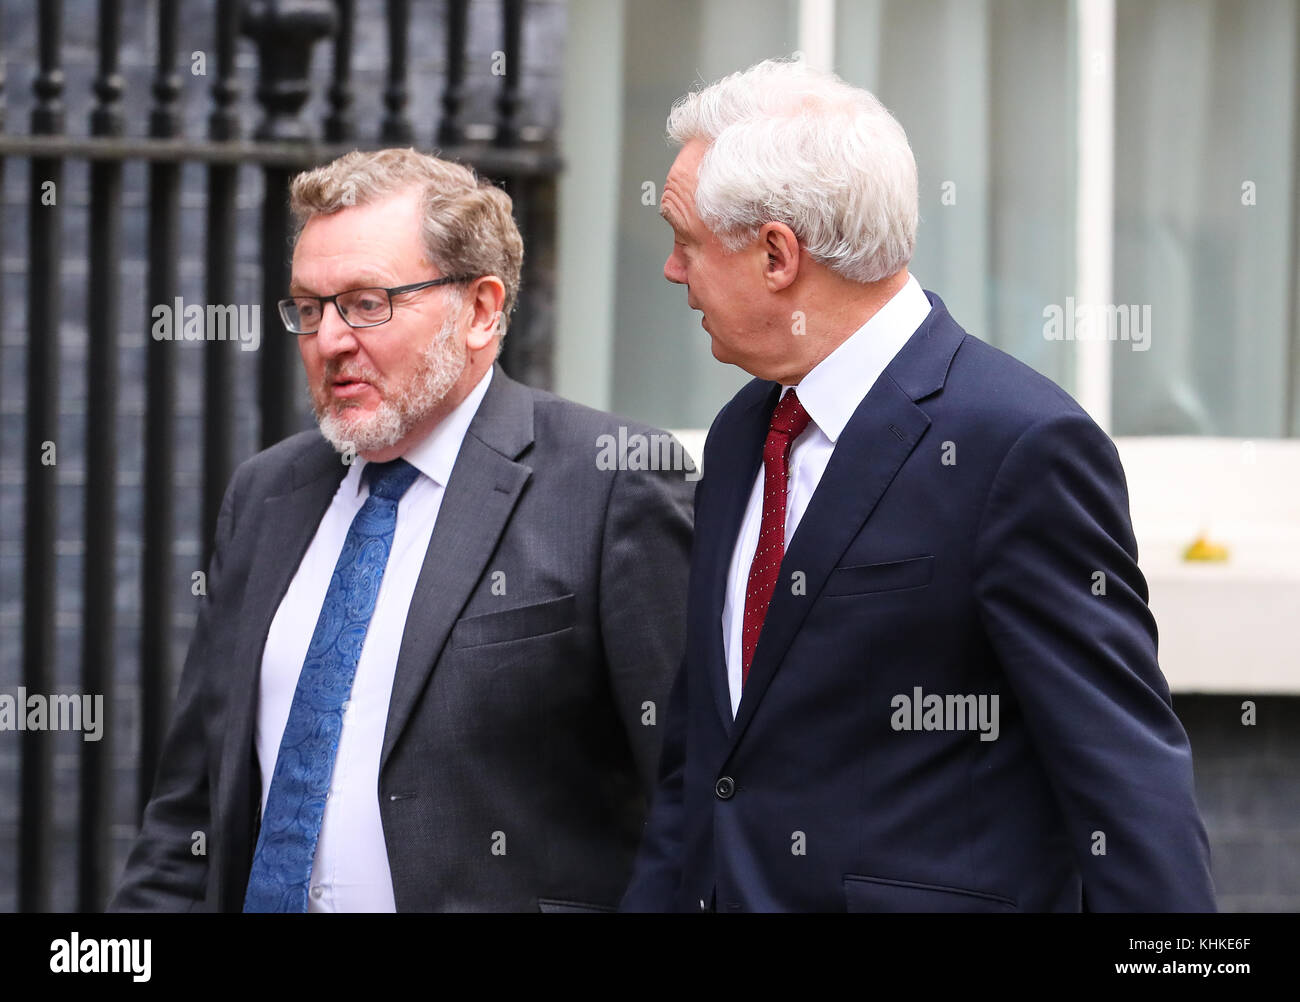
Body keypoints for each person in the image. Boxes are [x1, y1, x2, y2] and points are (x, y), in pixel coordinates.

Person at [622, 59, 1215, 912]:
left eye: (687, 243)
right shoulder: (743, 432)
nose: (674, 273)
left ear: (777, 253)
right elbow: (703, 760)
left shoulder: (1018, 444)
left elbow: (1126, 787)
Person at [110, 148, 693, 912]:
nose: (329, 341)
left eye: (366, 303)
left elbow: (691, 799)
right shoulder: (267, 495)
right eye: (310, 309)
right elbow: (188, 809)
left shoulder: (611, 483)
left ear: (481, 309)